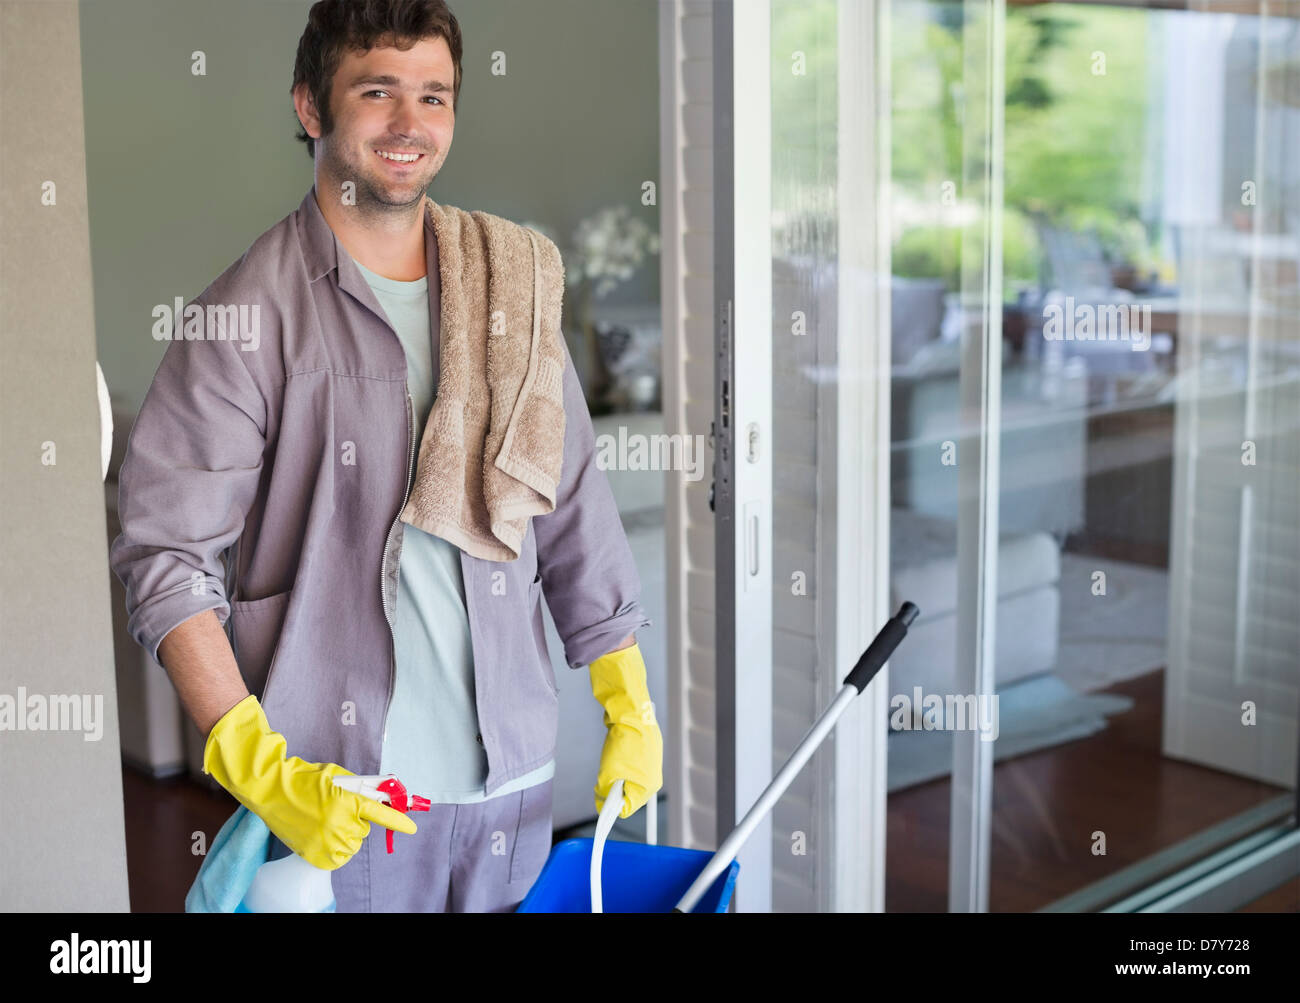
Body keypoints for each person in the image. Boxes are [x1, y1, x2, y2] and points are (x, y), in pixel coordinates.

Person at [110, 0, 662, 913]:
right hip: (343, 789)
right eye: (378, 91)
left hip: (512, 773)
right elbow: (165, 560)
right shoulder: (245, 317)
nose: (411, 124)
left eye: (435, 96)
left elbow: (570, 502)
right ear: (311, 108)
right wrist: (261, 767)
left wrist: (626, 700)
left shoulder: (510, 282)